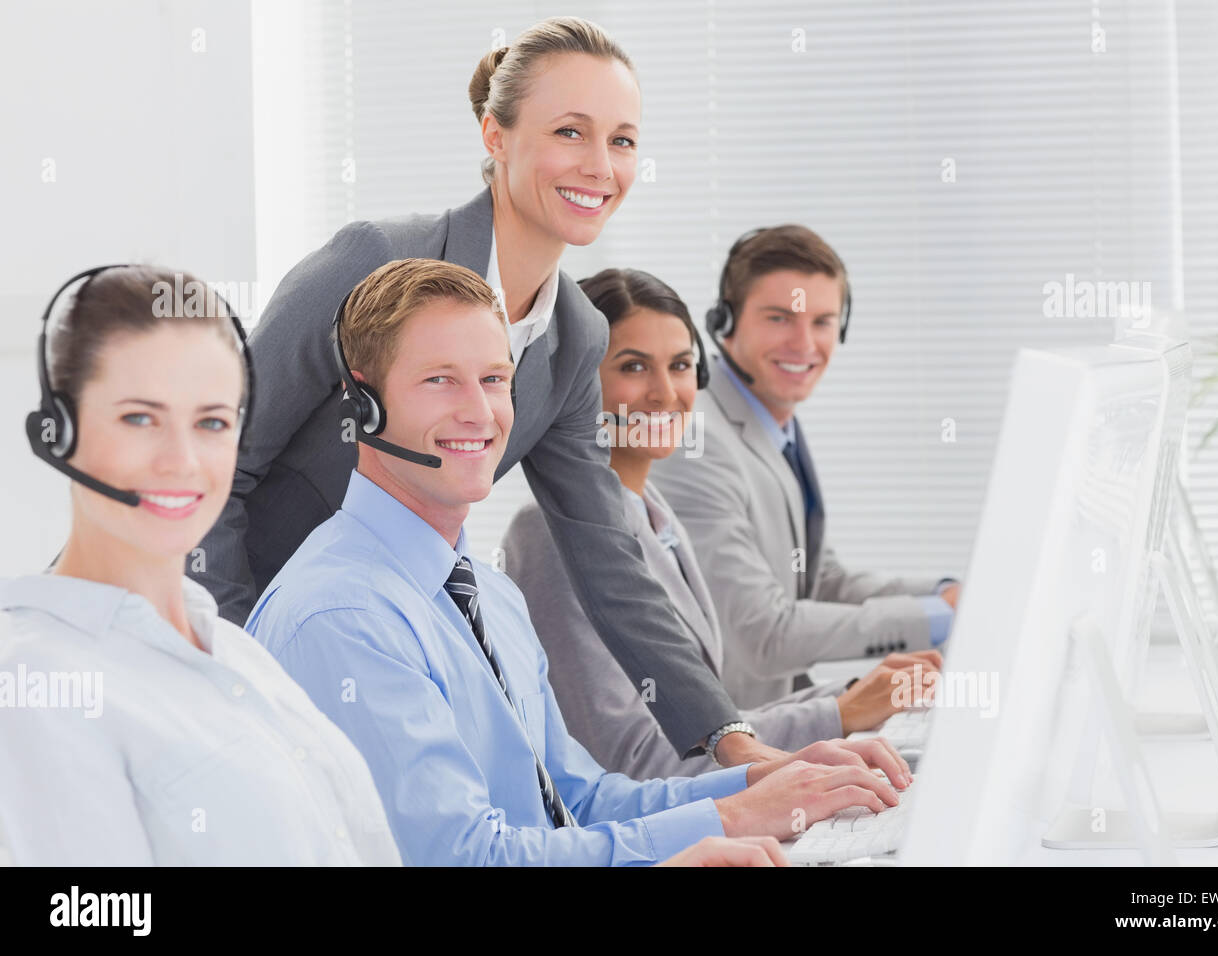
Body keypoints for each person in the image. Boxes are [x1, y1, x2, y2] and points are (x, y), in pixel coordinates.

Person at [196, 15, 767, 767]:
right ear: (495, 137)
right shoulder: (373, 260)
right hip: (239, 646)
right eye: (570, 131)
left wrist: (733, 742)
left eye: (622, 140)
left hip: (374, 657)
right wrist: (246, 671)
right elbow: (211, 466)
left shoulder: (575, 337)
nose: (600, 165)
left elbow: (609, 563)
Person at [245, 258, 913, 866]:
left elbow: (579, 800)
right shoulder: (344, 615)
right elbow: (465, 858)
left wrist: (761, 782)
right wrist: (730, 818)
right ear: (361, 403)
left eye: (494, 379)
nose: (479, 412)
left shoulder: (490, 596)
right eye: (440, 380)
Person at [0, 265, 401, 865]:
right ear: (58, 431)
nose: (183, 460)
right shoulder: (36, 687)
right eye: (140, 418)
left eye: (212, 422)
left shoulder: (239, 652)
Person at [503, 268, 942, 778]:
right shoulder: (551, 533)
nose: (665, 392)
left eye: (682, 365)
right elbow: (630, 761)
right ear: (579, 380)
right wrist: (840, 715)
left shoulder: (656, 515)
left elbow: (712, 727)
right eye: (634, 366)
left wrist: (852, 696)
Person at [652, 226, 962, 710]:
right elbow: (762, 632)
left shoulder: (772, 427)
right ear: (724, 321)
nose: (804, 343)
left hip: (777, 726)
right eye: (780, 318)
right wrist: (934, 618)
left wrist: (948, 594)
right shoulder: (697, 440)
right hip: (717, 749)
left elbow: (820, 580)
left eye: (822, 321)